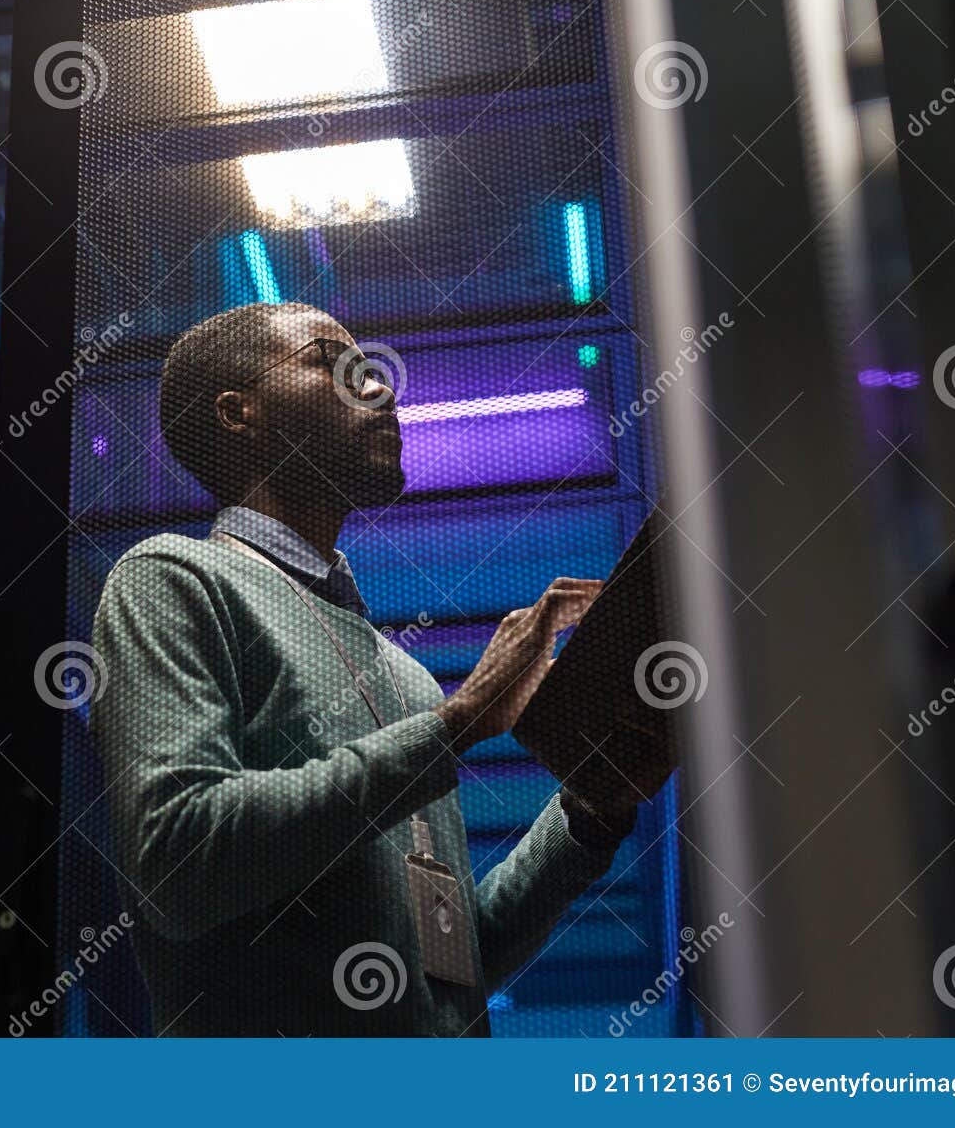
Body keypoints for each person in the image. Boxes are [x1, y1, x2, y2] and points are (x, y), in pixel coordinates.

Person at [89, 300, 674, 1035]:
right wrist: (456, 725)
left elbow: (455, 970)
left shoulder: (405, 675)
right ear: (239, 414)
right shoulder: (170, 578)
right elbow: (178, 865)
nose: (380, 387)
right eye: (331, 364)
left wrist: (588, 812)